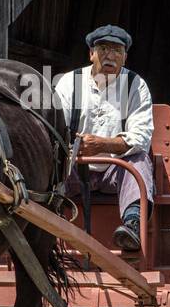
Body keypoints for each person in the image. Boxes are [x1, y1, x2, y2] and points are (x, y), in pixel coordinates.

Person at [52, 24, 155, 251]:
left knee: (139, 160)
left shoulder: (136, 86)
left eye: (117, 50)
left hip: (114, 171)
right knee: (49, 163)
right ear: (91, 54)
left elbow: (141, 137)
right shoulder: (69, 82)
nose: (110, 56)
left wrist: (102, 144)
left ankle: (132, 225)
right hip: (74, 167)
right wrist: (75, 149)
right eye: (103, 49)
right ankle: (44, 225)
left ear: (125, 57)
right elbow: (54, 129)